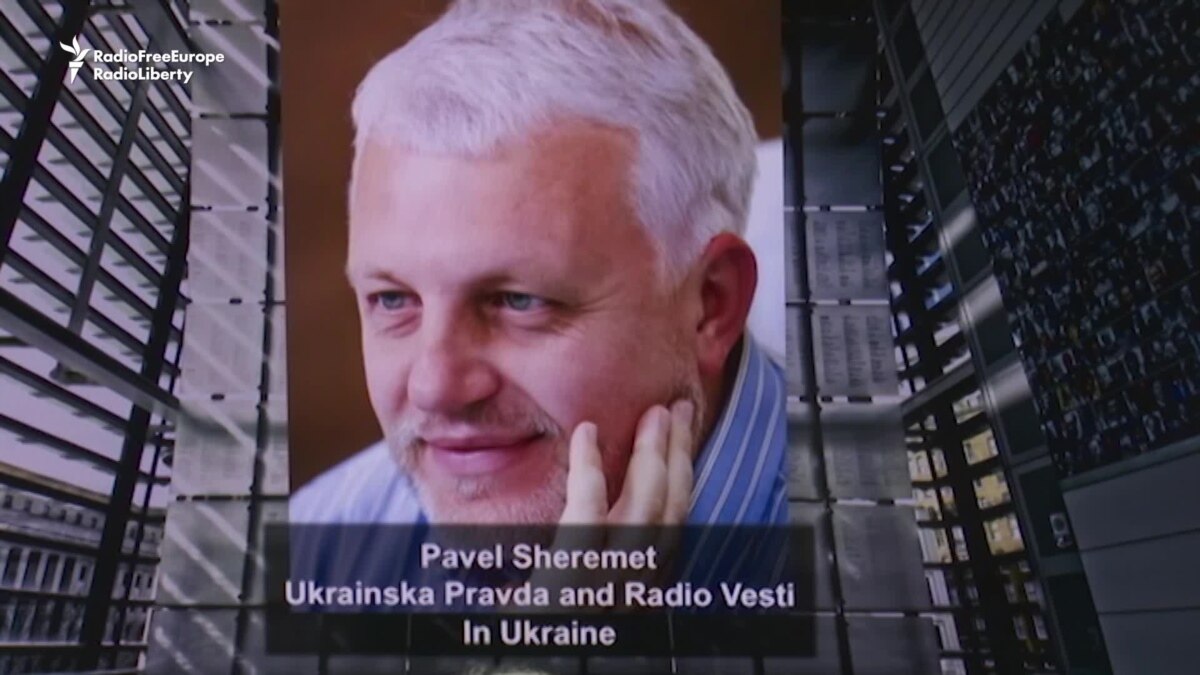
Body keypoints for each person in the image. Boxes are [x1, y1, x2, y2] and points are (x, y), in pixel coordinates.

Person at [290, 0, 786, 528]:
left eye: (518, 301)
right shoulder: (324, 529)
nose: (435, 388)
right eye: (393, 300)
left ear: (711, 304)